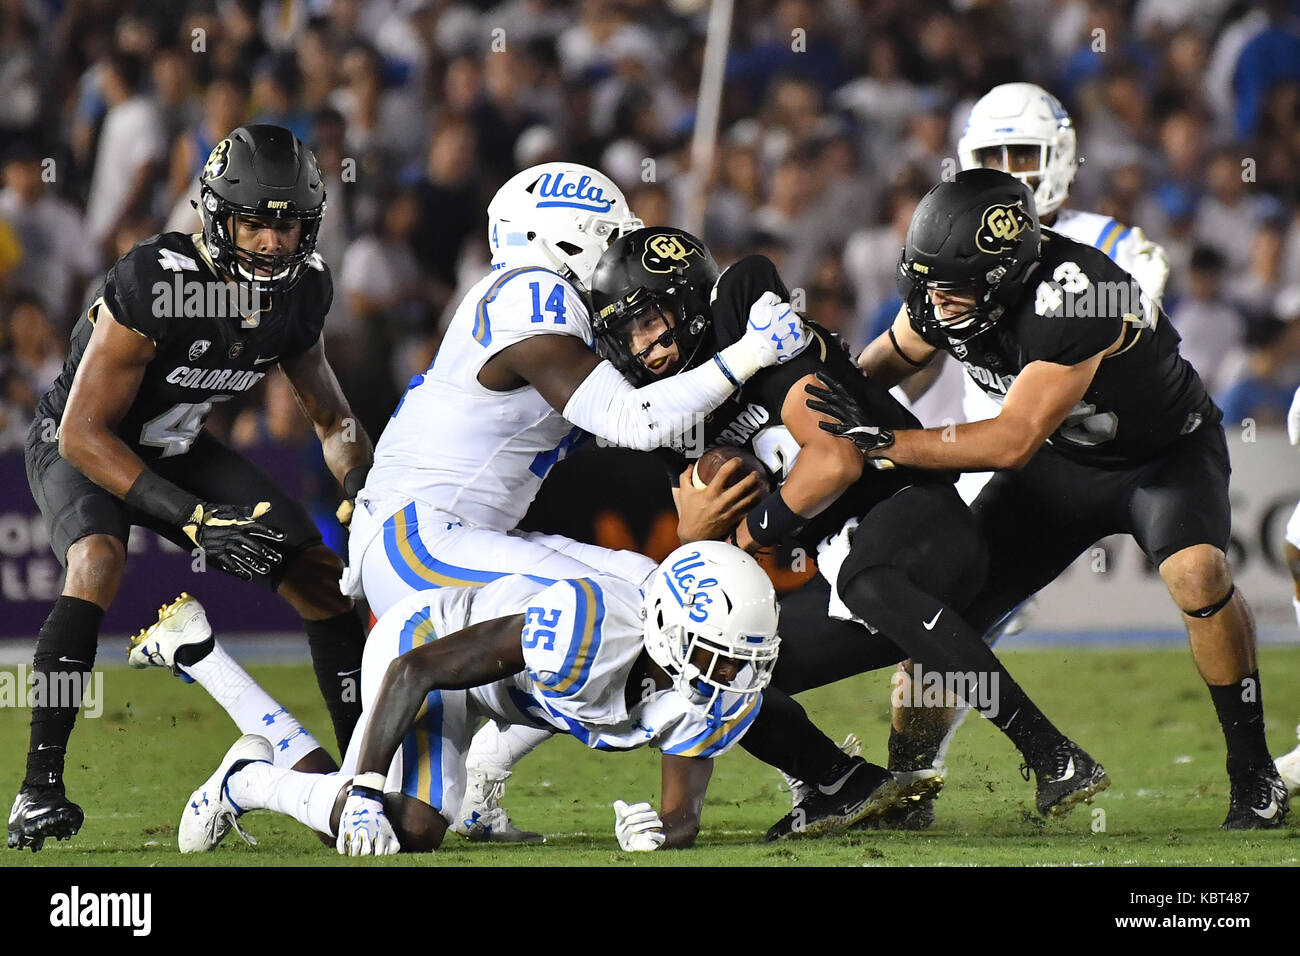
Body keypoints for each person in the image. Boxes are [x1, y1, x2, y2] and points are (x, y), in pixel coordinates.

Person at [343, 161, 876, 842]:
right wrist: (751, 353)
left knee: (646, 602)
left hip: (445, 531)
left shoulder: (561, 310)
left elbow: (652, 415)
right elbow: (635, 420)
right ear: (563, 238)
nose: (619, 249)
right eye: (608, 233)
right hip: (419, 540)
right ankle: (820, 772)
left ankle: (483, 774)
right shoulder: (529, 293)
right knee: (650, 612)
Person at [586, 226, 1109, 837]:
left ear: (687, 301)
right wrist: (709, 534)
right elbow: (697, 537)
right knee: (719, 671)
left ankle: (1052, 753)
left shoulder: (743, 317)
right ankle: (843, 783)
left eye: (650, 321)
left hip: (917, 513)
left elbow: (837, 462)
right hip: (845, 564)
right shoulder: (669, 411)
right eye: (627, 333)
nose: (644, 346)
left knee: (869, 578)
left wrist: (752, 531)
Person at [825, 166, 1287, 830]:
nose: (937, 303)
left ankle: (1254, 772)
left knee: (1198, 573)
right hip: (1064, 461)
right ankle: (908, 781)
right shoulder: (944, 285)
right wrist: (820, 419)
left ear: (1005, 277)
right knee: (946, 605)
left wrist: (886, 443)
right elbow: (886, 362)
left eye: (953, 290)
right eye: (927, 283)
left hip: (1160, 456)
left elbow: (1011, 439)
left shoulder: (1079, 294)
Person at [8, 125, 373, 852]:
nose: (273, 242)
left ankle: (363, 774)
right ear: (217, 216)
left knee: (320, 578)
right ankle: (36, 788)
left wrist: (364, 490)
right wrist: (195, 519)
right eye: (256, 223)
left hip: (175, 447)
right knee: (98, 560)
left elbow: (332, 418)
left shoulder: (303, 293)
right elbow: (83, 431)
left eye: (287, 224)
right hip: (79, 441)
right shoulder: (161, 281)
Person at [142, 544, 872, 854]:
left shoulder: (712, 690)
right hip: (426, 646)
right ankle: (244, 780)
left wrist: (662, 830)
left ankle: (207, 663)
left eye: (746, 662)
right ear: (665, 629)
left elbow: (682, 806)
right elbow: (418, 670)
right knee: (407, 829)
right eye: (716, 657)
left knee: (391, 821)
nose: (730, 679)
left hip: (508, 699)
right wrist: (362, 786)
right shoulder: (583, 628)